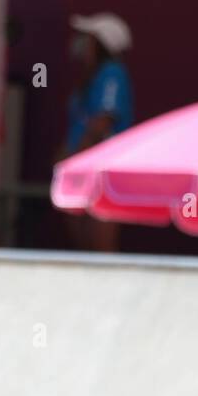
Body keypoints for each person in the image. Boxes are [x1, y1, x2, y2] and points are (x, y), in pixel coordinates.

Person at [57, 13, 136, 252]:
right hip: (84, 169)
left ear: (102, 44)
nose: (82, 43)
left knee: (99, 242)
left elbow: (102, 122)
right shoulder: (94, 77)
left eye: (88, 38)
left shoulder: (112, 73)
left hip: (102, 171)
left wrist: (72, 161)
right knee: (82, 240)